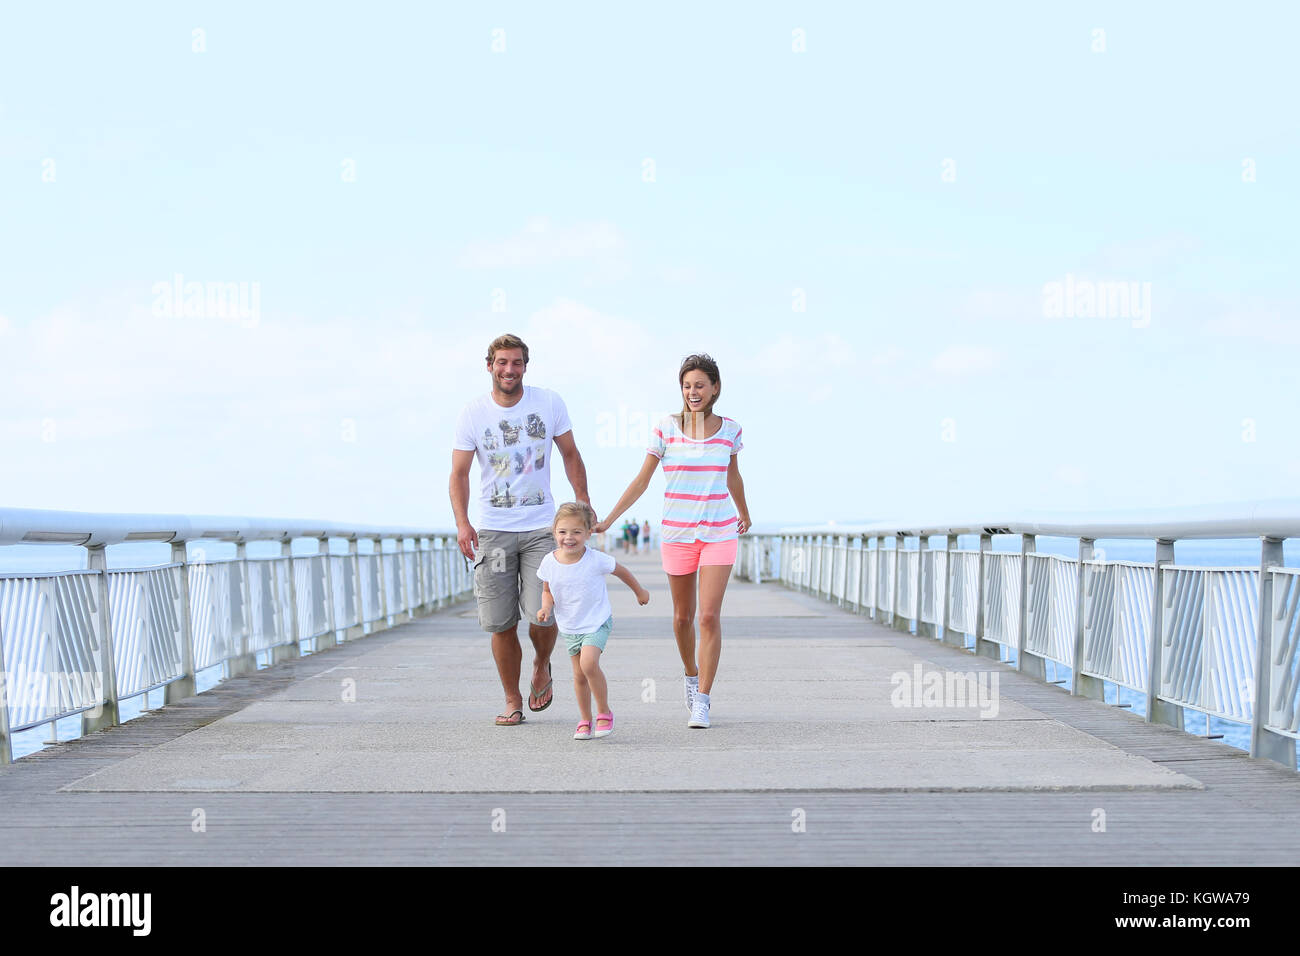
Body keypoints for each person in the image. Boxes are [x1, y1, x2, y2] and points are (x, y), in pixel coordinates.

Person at [594, 354, 750, 728]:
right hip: (677, 532)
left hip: (719, 531)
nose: (693, 392)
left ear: (715, 388)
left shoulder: (730, 430)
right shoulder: (666, 428)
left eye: (700, 385)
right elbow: (641, 481)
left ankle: (704, 701)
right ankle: (691, 675)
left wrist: (744, 511)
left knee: (709, 616)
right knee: (683, 617)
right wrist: (608, 521)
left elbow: (733, 477)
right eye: (687, 386)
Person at [450, 333, 593, 726]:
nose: (509, 370)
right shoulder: (472, 413)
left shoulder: (548, 402)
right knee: (500, 621)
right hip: (493, 533)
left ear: (525, 366)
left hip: (540, 531)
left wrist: (582, 504)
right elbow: (459, 473)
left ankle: (542, 664)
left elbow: (570, 454)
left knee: (542, 614)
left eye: (516, 363)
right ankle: (513, 699)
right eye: (502, 362)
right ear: (490, 366)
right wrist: (463, 522)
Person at [537, 502, 650, 739]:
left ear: (589, 533)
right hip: (570, 626)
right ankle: (585, 720)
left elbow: (621, 571)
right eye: (563, 532)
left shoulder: (596, 559)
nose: (569, 538)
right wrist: (546, 607)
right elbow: (547, 590)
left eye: (577, 532)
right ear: (554, 532)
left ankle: (604, 712)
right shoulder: (549, 561)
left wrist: (639, 591)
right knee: (579, 675)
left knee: (588, 665)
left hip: (597, 621)